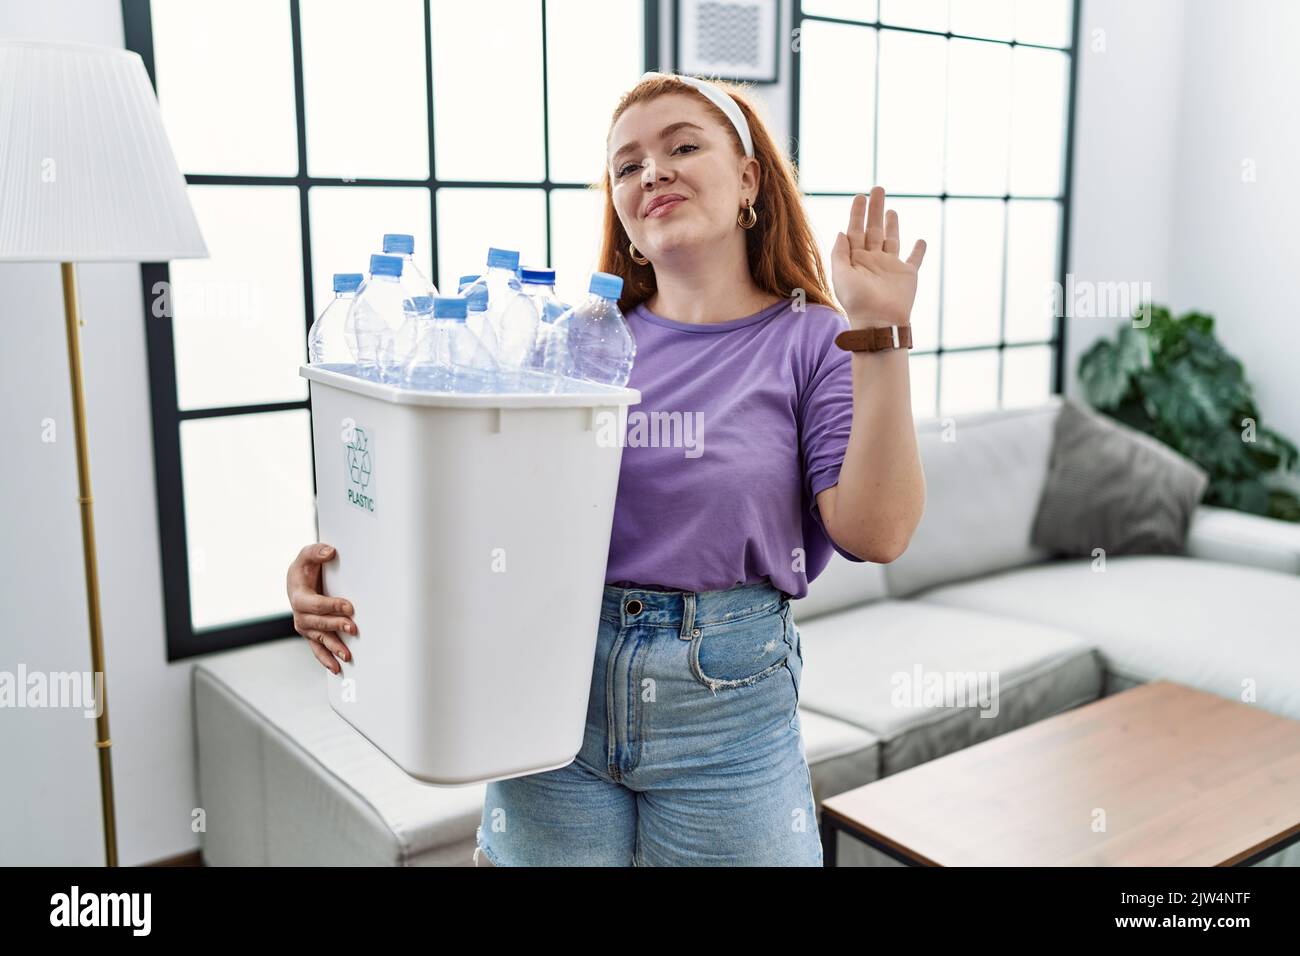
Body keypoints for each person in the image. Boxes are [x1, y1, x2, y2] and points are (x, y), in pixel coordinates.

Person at [286, 71, 927, 866]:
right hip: (549, 684)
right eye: (627, 165)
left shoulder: (813, 339)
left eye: (682, 146)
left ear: (750, 179)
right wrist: (346, 568)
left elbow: (879, 532)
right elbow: (475, 516)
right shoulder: (574, 345)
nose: (651, 172)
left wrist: (880, 333)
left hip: (726, 708)